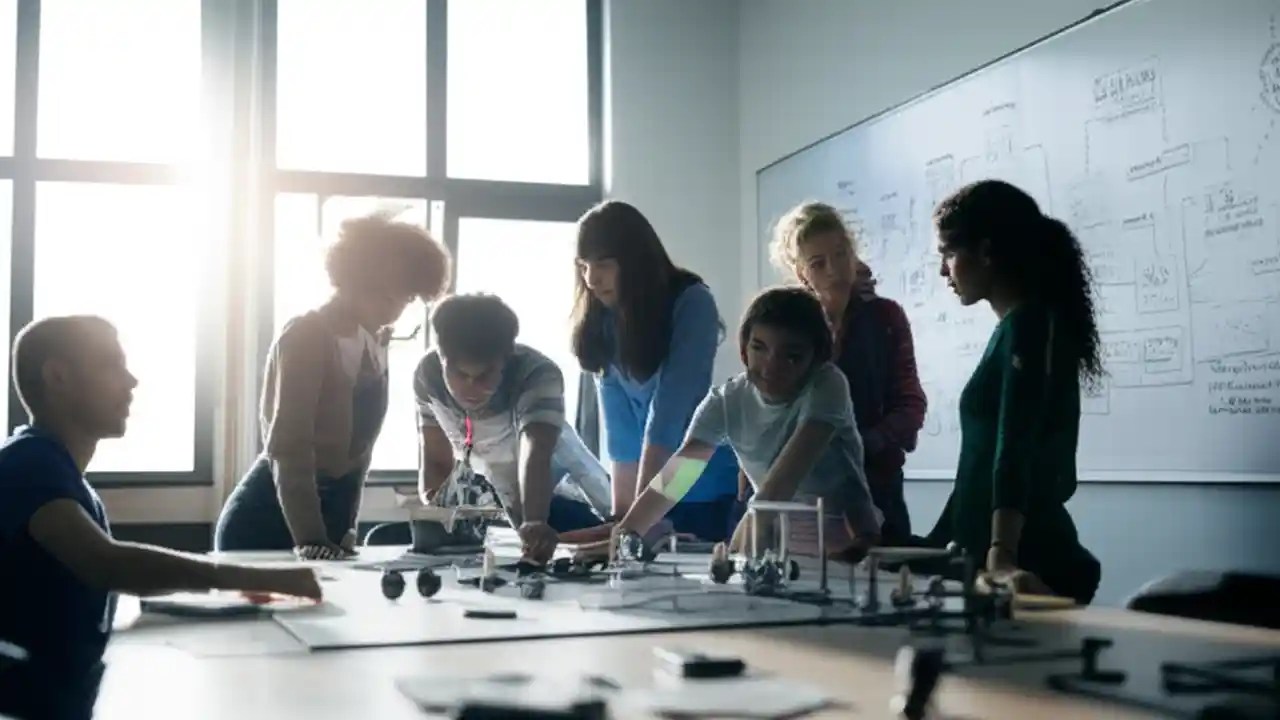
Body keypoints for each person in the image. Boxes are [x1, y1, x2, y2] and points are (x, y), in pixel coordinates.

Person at [0, 316, 322, 720]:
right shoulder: (28, 464)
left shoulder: (55, 470)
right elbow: (107, 563)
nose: (131, 381)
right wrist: (261, 579)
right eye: (111, 365)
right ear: (58, 376)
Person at [573, 287, 883, 561]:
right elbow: (680, 473)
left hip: (844, 538)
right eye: (759, 348)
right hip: (773, 531)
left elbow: (784, 480)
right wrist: (626, 535)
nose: (771, 366)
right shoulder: (727, 399)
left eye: (791, 355)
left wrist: (747, 534)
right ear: (744, 346)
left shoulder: (827, 384)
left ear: (815, 358)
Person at [215, 213, 451, 557]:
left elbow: (360, 453)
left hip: (331, 516)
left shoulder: (376, 342)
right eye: (400, 293)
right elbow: (289, 448)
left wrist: (344, 527)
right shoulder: (307, 334)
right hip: (269, 517)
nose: (402, 305)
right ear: (366, 281)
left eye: (409, 296)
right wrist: (310, 537)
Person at [928, 178, 1103, 605]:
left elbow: (1014, 446)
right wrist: (928, 546)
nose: (942, 271)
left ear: (986, 251)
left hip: (1021, 560)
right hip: (985, 554)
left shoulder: (1029, 325)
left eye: (948, 254)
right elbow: (979, 463)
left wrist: (1001, 554)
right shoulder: (1013, 329)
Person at [567, 200, 733, 536]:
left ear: (634, 261)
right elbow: (620, 430)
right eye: (584, 266)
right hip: (647, 482)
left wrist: (636, 523)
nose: (592, 279)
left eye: (603, 264)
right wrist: (622, 517)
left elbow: (671, 413)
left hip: (697, 479)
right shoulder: (603, 318)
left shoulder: (693, 302)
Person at [770, 201, 926, 544]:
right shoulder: (789, 329)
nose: (835, 269)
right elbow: (688, 462)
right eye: (818, 263)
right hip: (804, 492)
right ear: (801, 273)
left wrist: (865, 444)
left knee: (880, 585)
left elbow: (911, 403)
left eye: (842, 255)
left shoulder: (884, 318)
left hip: (877, 484)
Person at [414, 293, 612, 563]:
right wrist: (435, 522)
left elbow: (536, 450)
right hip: (492, 497)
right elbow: (436, 458)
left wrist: (533, 522)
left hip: (555, 494)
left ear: (506, 359)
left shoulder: (537, 373)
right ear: (441, 359)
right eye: (460, 375)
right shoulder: (428, 375)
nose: (472, 387)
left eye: (484, 375)